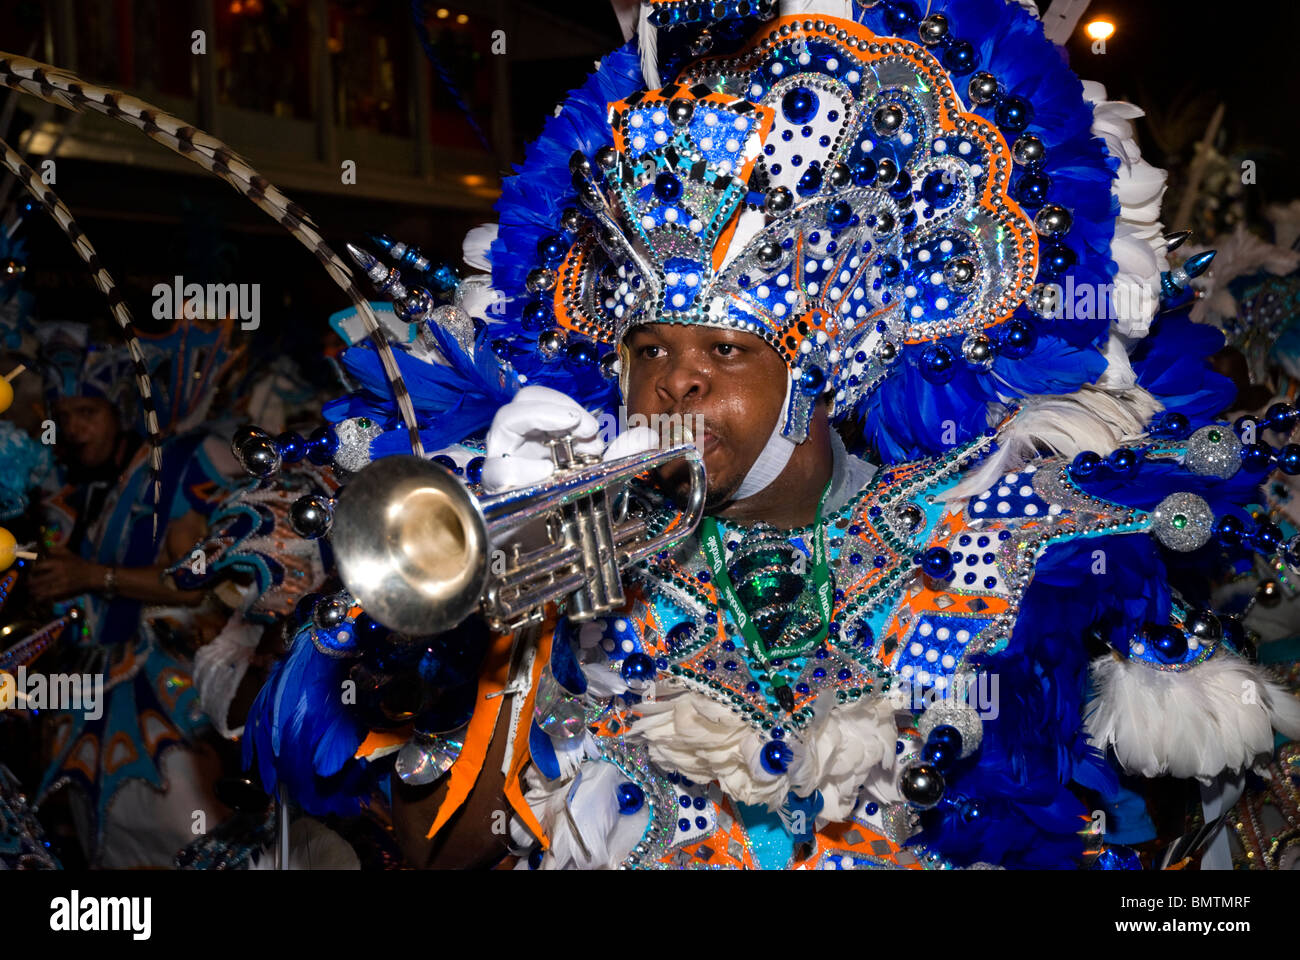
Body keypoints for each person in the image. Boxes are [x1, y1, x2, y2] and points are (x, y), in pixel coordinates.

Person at [242, 0, 1300, 870]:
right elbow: (452, 852)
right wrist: (506, 659)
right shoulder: (589, 577)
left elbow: (1145, 831)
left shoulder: (999, 539)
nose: (673, 385)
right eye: (648, 352)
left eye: (724, 355)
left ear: (814, 376)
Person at [29, 324, 235, 868]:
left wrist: (92, 576)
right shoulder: (77, 487)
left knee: (190, 842)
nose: (73, 430)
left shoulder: (181, 463)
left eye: (88, 414)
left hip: (168, 691)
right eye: (65, 416)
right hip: (89, 699)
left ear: (120, 413)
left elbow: (194, 581)